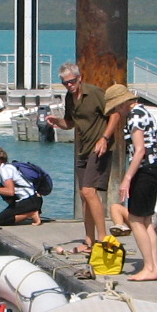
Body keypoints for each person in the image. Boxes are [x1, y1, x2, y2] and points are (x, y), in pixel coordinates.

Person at [45, 61, 120, 252]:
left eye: (71, 81)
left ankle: (103, 238)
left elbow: (115, 115)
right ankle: (89, 240)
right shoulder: (69, 98)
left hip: (100, 148)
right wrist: (57, 121)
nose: (69, 86)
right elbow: (70, 123)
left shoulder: (95, 93)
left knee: (89, 191)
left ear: (79, 78)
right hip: (83, 150)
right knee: (84, 196)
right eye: (65, 83)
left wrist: (105, 138)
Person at [103, 82, 157, 282]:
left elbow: (139, 150)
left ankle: (149, 267)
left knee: (136, 220)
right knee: (145, 220)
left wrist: (127, 179)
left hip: (144, 170)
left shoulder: (134, 116)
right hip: (155, 168)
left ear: (122, 103)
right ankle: (153, 264)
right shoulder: (144, 111)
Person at [0, 146, 43, 226]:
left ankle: (31, 214)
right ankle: (23, 210)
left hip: (30, 201)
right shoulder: (8, 167)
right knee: (1, 187)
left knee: (2, 220)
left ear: (1, 159)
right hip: (35, 199)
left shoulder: (5, 170)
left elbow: (10, 192)